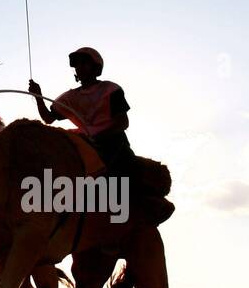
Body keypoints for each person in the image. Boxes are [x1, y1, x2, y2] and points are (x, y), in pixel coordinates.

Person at [29, 46, 171, 229]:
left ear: (95, 67)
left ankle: (141, 215)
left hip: (113, 144)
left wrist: (99, 134)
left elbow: (122, 123)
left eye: (84, 63)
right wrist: (38, 96)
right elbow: (48, 118)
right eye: (77, 64)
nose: (79, 67)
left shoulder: (110, 89)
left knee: (127, 175)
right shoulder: (70, 97)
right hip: (85, 143)